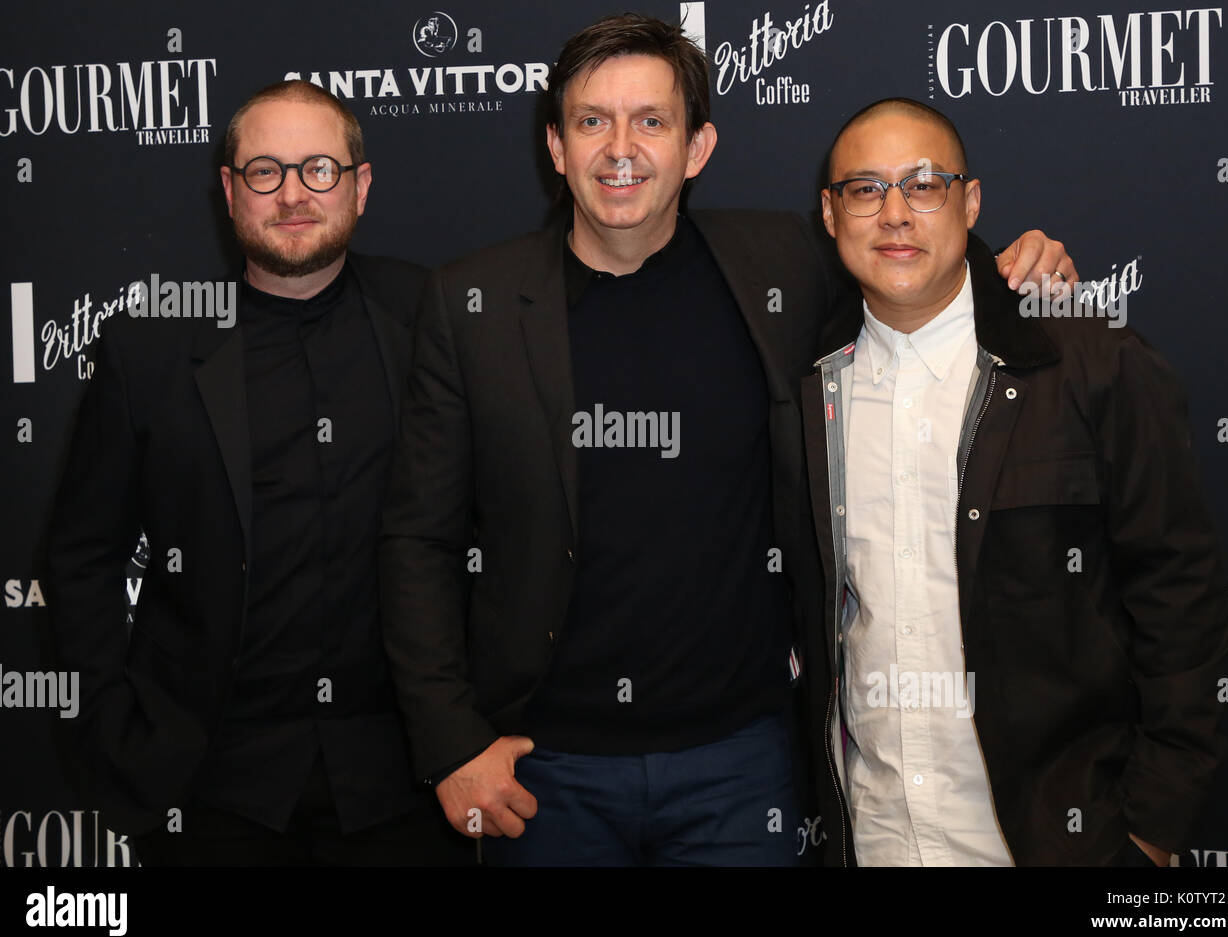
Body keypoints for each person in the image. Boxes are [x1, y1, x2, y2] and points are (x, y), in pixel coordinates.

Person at [379, 15, 1073, 866]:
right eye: (592, 121)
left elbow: (908, 257)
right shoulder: (470, 306)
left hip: (741, 764)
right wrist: (451, 741)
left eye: (652, 121)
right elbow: (418, 539)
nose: (620, 148)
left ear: (698, 146)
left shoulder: (779, 264)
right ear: (556, 146)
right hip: (541, 768)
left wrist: (1012, 269)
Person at [45, 80, 469, 865]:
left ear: (360, 186)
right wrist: (110, 725)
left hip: (407, 778)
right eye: (266, 172)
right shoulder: (149, 350)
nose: (294, 194)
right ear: (231, 192)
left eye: (319, 169)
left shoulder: (433, 317)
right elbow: (80, 556)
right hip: (209, 786)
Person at [802, 97, 1228, 866]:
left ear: (970, 202)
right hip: (872, 837)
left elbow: (1181, 596)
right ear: (831, 215)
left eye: (925, 185)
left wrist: (1152, 827)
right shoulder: (806, 385)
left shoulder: (1090, 364)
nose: (895, 213)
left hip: (1058, 841)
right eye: (865, 190)